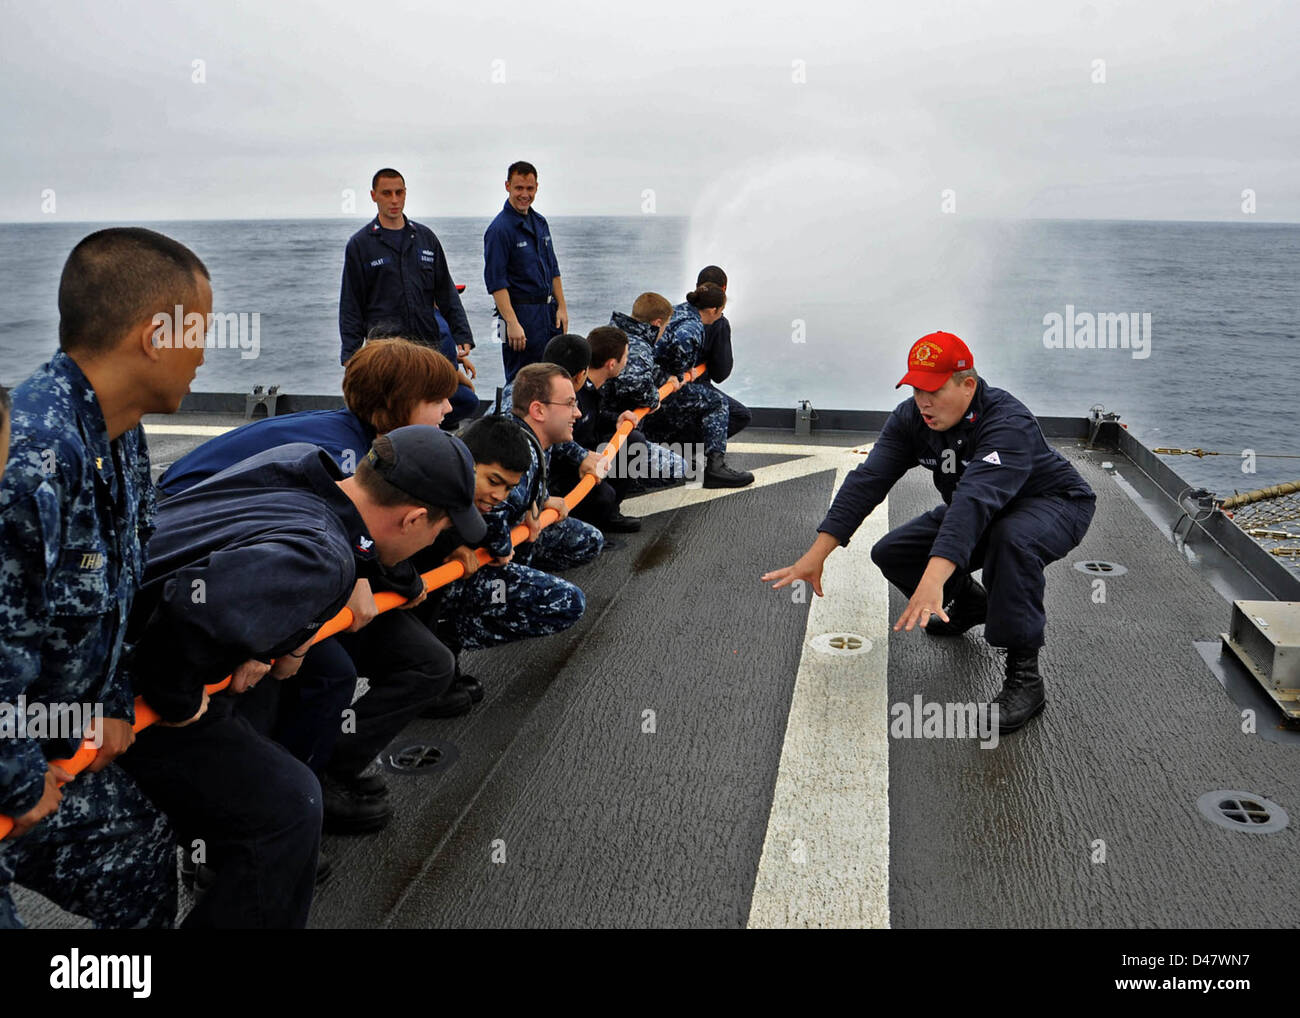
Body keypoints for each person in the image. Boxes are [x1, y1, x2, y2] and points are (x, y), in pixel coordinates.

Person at [115, 427, 480, 927]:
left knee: (273, 720)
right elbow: (188, 612)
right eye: (438, 531)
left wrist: (267, 640)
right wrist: (179, 700)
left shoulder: (300, 462)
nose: (435, 541)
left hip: (119, 605)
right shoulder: (322, 557)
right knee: (288, 811)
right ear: (414, 517)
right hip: (118, 678)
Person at [154, 338, 471, 833]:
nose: (451, 408)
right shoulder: (343, 451)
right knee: (327, 675)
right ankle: (270, 810)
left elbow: (350, 530)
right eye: (436, 399)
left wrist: (376, 575)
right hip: (203, 555)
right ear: (394, 406)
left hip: (251, 550)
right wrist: (354, 581)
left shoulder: (364, 444)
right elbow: (318, 533)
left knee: (413, 663)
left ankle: (318, 775)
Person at [0, 227, 211, 928]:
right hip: (14, 764)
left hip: (57, 744)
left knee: (143, 856)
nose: (205, 354)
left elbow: (118, 590)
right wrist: (19, 778)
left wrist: (113, 697)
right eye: (198, 332)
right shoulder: (33, 462)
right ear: (156, 335)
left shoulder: (117, 437)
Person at [762, 332, 1096, 733]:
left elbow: (973, 502)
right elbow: (868, 480)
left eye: (934, 390)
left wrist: (934, 582)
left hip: (1053, 503)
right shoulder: (911, 419)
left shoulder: (1008, 423)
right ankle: (972, 604)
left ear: (968, 385)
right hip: (982, 509)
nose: (923, 400)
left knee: (1013, 542)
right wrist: (815, 556)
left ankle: (1025, 681)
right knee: (893, 553)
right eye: (917, 388)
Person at [438, 366, 602, 659]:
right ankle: (450, 634)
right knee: (567, 602)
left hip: (499, 543)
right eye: (570, 404)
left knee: (587, 539)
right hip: (458, 569)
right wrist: (503, 544)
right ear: (538, 410)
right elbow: (486, 521)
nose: (577, 413)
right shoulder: (514, 451)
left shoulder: (529, 438)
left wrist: (538, 501)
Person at [339, 168, 478, 424]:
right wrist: (350, 354)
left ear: (405, 194)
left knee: (463, 402)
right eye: (387, 193)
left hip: (428, 347)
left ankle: (431, 439)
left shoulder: (425, 239)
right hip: (387, 351)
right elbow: (351, 304)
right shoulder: (361, 244)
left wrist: (462, 334)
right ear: (374, 196)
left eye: (399, 192)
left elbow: (446, 291)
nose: (394, 199)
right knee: (393, 409)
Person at [647, 284, 754, 488]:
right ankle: (715, 468)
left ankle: (678, 451)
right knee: (717, 403)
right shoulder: (694, 325)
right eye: (721, 311)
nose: (721, 316)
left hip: (650, 380)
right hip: (661, 388)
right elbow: (681, 342)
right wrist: (679, 372)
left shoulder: (679, 309)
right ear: (713, 310)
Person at [484, 160, 568, 382]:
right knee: (521, 381)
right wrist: (511, 323)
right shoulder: (499, 230)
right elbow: (496, 283)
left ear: (537, 188)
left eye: (529, 188)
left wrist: (562, 308)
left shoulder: (540, 223)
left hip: (548, 313)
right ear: (507, 186)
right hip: (519, 314)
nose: (524, 194)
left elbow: (553, 270)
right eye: (519, 188)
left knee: (551, 377)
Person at [694, 265, 751, 437]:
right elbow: (720, 374)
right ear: (724, 289)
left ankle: (681, 450)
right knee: (740, 415)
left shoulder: (675, 311)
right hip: (691, 387)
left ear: (697, 286)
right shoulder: (718, 322)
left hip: (660, 387)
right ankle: (694, 452)